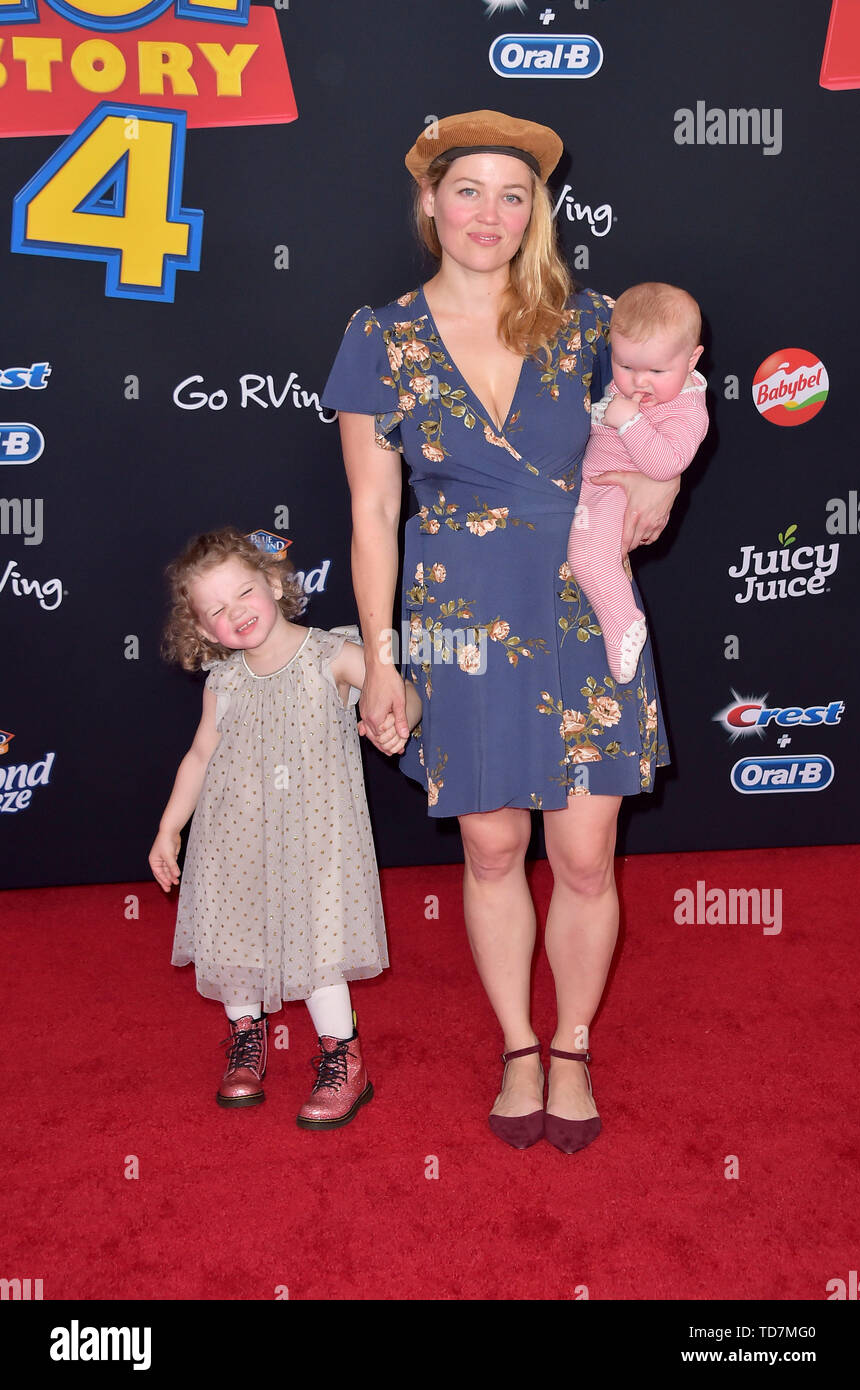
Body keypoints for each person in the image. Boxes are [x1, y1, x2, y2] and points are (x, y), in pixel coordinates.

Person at [322, 111, 682, 1153]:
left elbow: (674, 391)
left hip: (577, 602)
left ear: (537, 214)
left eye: (511, 194)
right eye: (466, 190)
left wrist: (655, 467)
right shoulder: (377, 336)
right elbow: (371, 515)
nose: (489, 213)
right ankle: (516, 1043)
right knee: (489, 848)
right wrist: (381, 658)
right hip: (454, 612)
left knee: (583, 853)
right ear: (429, 202)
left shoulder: (590, 320)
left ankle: (570, 1043)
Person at [148, 526, 421, 1128]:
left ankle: (341, 1058)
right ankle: (246, 1039)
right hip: (233, 841)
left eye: (244, 593)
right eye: (215, 610)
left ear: (274, 583)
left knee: (320, 949)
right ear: (200, 630)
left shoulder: (330, 655)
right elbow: (199, 756)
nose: (235, 613)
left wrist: (399, 718)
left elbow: (397, 690)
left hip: (317, 845)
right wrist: (170, 829)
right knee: (236, 939)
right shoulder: (223, 682)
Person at [568, 282, 708, 683]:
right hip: (597, 487)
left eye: (657, 371)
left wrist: (627, 420)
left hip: (617, 491)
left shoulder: (686, 408)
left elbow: (666, 464)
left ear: (693, 359)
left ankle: (624, 623)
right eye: (625, 366)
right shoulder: (639, 386)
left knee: (588, 557)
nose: (639, 382)